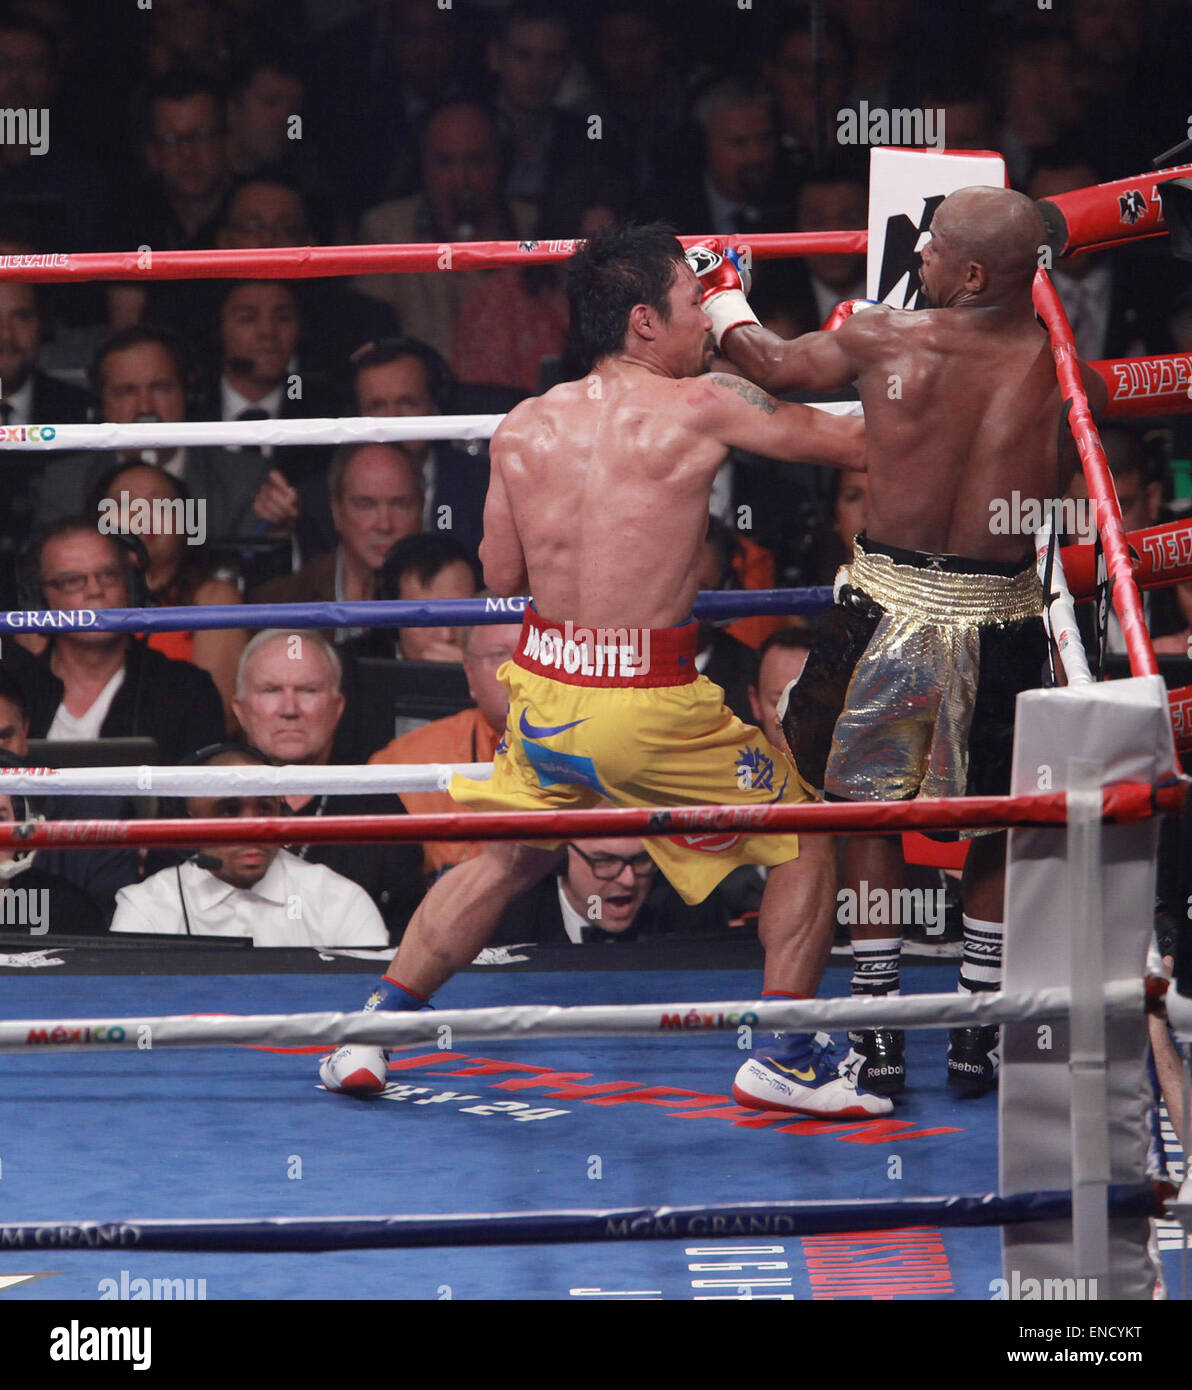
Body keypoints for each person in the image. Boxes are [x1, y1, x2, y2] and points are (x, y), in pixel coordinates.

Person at [321, 222, 881, 1119]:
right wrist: (886, 354)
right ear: (642, 324)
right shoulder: (703, 404)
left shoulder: (524, 424)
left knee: (513, 858)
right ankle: (786, 1053)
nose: (708, 320)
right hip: (649, 701)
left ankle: (370, 1035)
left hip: (543, 691)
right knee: (806, 835)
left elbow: (500, 576)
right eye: (696, 303)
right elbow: (857, 448)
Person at [703, 184, 1108, 1096]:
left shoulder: (885, 337)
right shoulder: (1060, 361)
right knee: (998, 812)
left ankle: (879, 1032)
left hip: (888, 605)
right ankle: (977, 1032)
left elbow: (769, 363)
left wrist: (721, 286)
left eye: (931, 249)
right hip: (1006, 609)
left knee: (865, 808)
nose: (913, 256)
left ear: (969, 275)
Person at [231, 631, 425, 939]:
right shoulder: (202, 802)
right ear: (240, 711)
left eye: (308, 690)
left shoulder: (381, 813)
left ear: (337, 708)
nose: (290, 709)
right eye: (271, 690)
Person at [111, 743, 389, 947]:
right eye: (229, 811)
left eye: (264, 809)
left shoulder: (341, 902)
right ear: (189, 822)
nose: (253, 827)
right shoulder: (145, 908)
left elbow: (370, 1009)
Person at [10, 518, 226, 762]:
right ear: (40, 599)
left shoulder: (187, 689)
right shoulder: (13, 689)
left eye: (108, 575)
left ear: (131, 587)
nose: (94, 590)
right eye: (72, 581)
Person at [368, 611, 522, 881]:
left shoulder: (599, 750)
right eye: (499, 655)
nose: (519, 671)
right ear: (469, 672)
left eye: (534, 654)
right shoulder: (403, 762)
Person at [249, 443, 425, 631]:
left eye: (400, 505)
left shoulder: (450, 601)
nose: (384, 525)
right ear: (336, 511)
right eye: (365, 505)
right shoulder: (282, 604)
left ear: (421, 509)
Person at [492, 836, 728, 946]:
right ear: (559, 860)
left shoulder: (690, 905)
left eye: (641, 859)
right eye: (604, 861)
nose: (629, 880)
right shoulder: (507, 915)